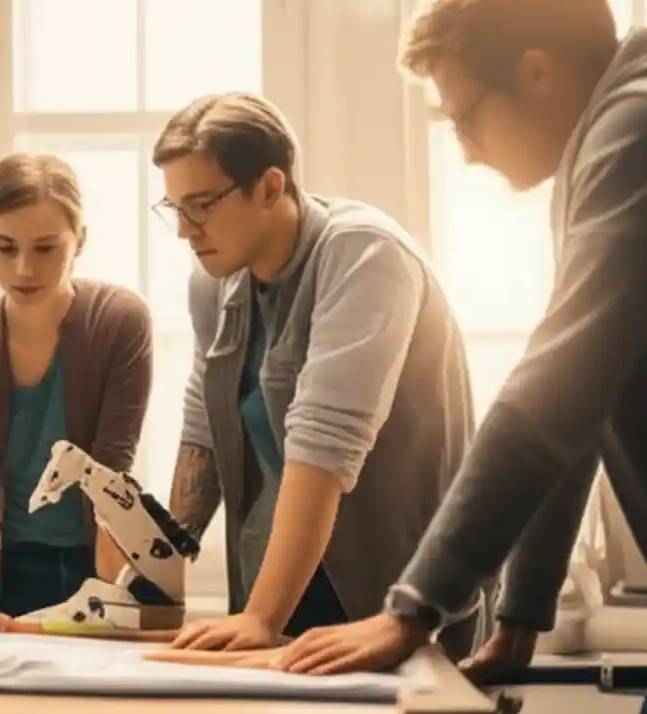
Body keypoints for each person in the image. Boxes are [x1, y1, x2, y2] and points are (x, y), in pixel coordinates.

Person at [273, 0, 647, 680]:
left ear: (537, 73)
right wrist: (521, 614)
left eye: (464, 117)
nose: (466, 151)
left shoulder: (633, 134)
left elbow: (550, 398)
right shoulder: (607, 140)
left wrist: (413, 608)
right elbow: (583, 401)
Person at [152, 92, 479, 658]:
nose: (185, 230)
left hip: (390, 602)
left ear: (271, 186)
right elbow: (204, 429)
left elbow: (326, 441)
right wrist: (146, 580)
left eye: (202, 205)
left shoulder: (365, 254)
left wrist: (260, 615)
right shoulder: (213, 280)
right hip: (275, 588)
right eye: (175, 207)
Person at [0, 152, 153, 634]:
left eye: (46, 248)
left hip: (92, 564)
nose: (24, 269)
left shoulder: (118, 322)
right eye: (5, 248)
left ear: (81, 241)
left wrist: (108, 600)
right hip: (3, 574)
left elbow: (111, 470)